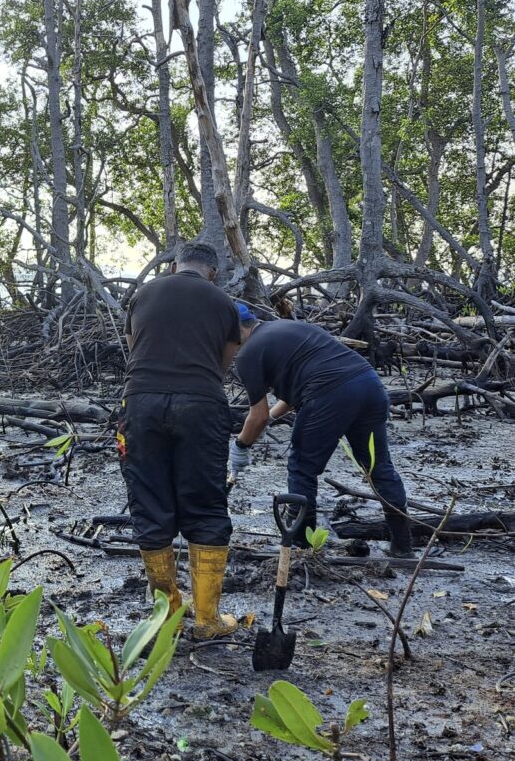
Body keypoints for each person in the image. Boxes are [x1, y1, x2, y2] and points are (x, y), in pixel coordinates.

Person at [120, 241, 241, 639]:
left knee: (149, 500)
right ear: (212, 272)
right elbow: (226, 359)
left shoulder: (144, 293)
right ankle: (207, 620)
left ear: (174, 266)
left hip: (141, 402)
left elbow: (134, 347)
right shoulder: (222, 302)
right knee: (205, 503)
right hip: (201, 403)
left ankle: (167, 615)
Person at [229, 306, 413, 556]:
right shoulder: (287, 327)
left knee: (301, 467)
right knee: (379, 467)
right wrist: (271, 418)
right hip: (370, 385)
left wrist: (241, 447)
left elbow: (256, 415)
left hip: (331, 394)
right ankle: (403, 548)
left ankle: (302, 547)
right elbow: (294, 392)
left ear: (235, 328)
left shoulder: (247, 354)